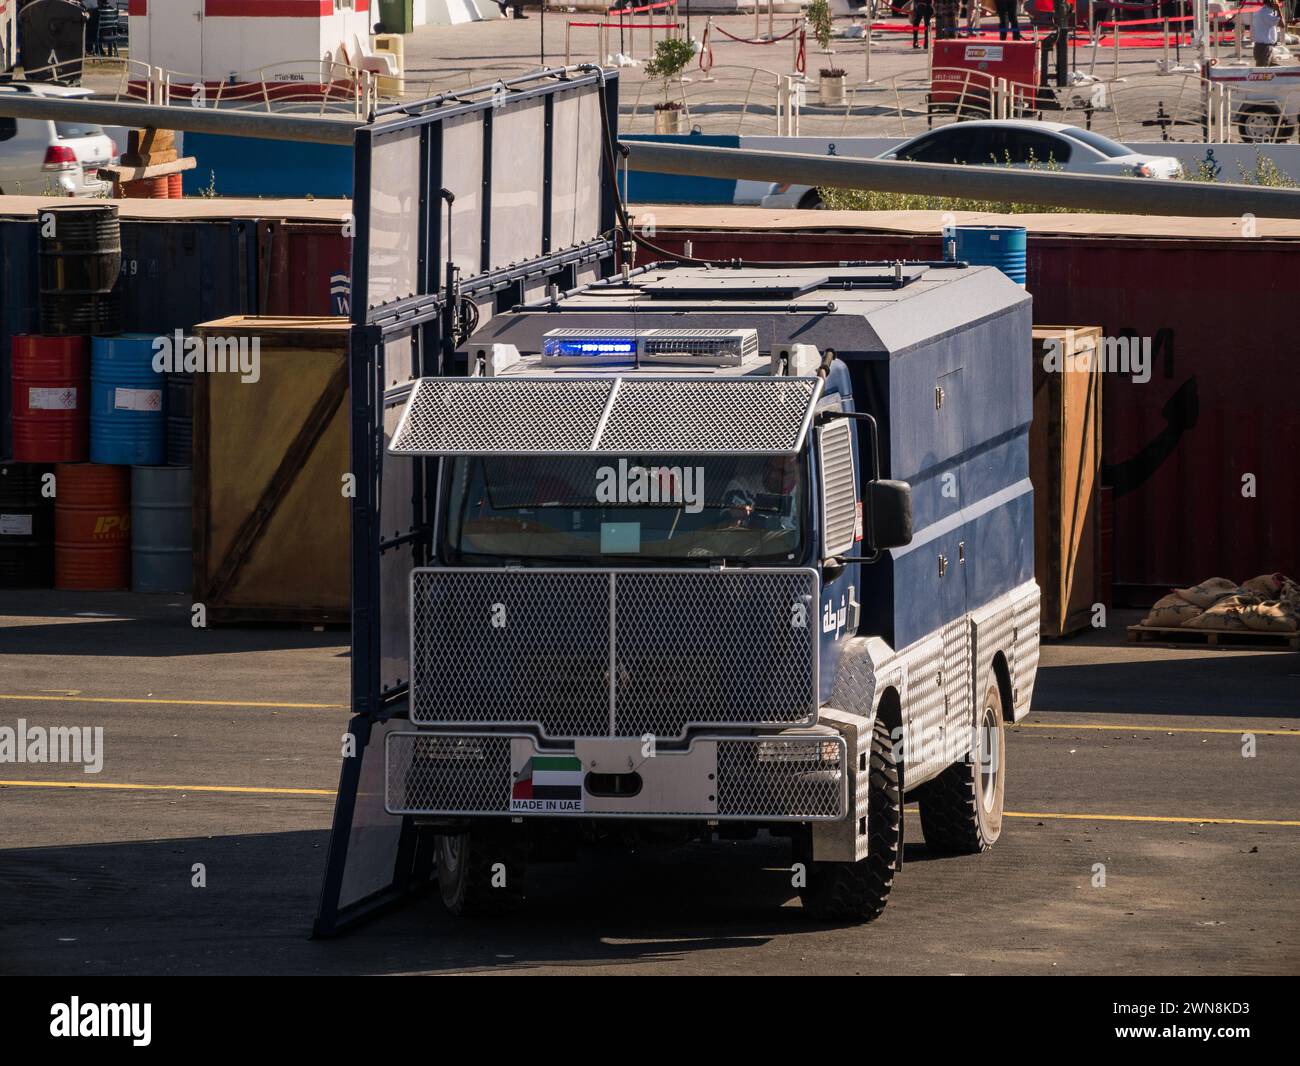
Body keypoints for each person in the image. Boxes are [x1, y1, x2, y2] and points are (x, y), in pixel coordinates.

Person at [1253, 0, 1283, 66]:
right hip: (1264, 47)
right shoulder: (1266, 13)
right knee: (1262, 71)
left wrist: (1276, 10)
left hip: (1264, 46)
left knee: (1275, 69)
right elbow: (1282, 24)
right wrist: (1278, 9)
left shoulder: (1262, 11)